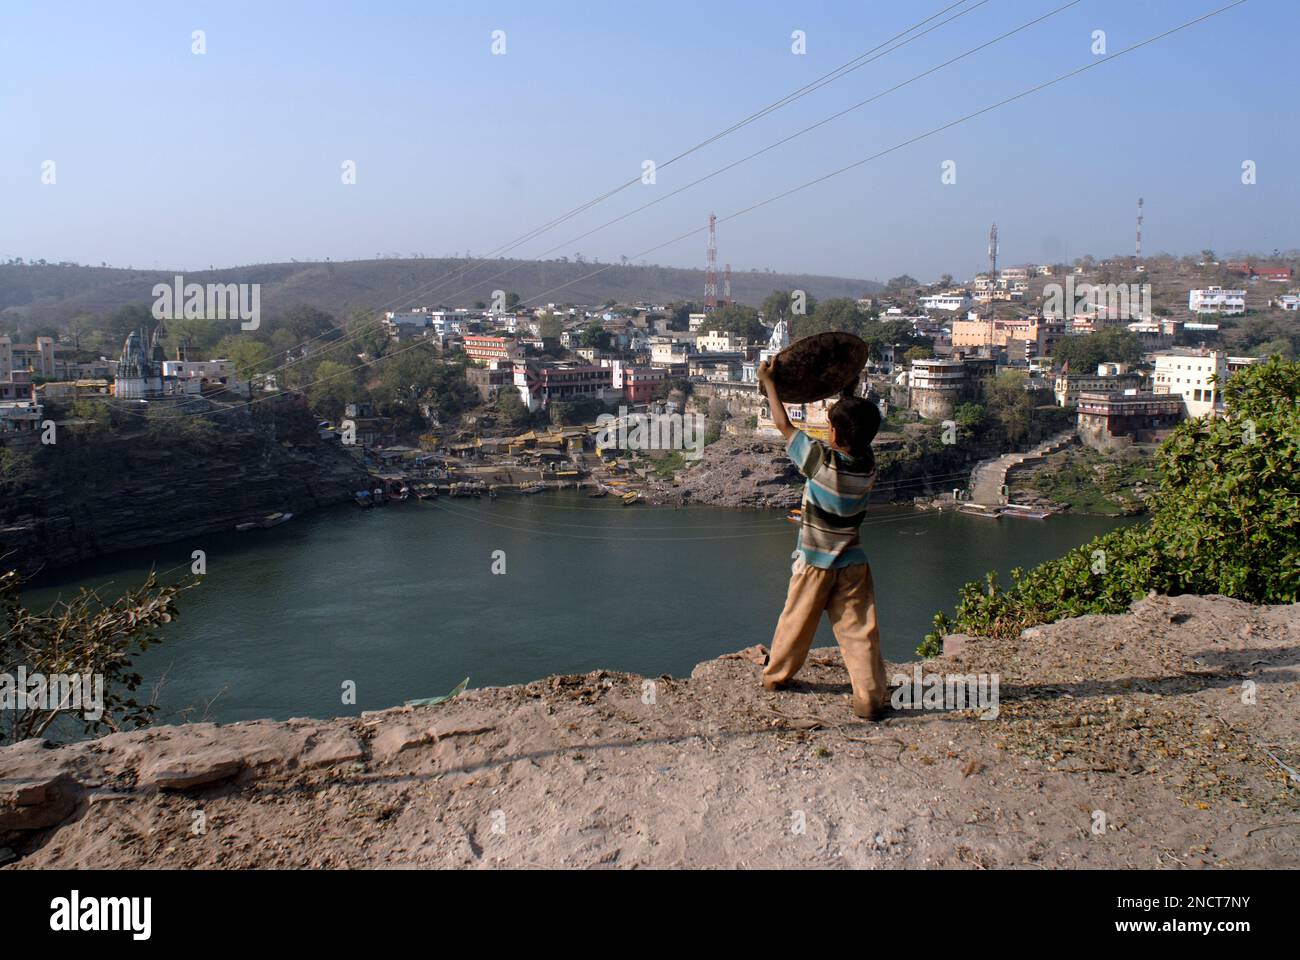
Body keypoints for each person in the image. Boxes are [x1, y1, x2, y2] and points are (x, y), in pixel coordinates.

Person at [756, 359, 888, 719]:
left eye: (829, 425)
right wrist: (848, 387)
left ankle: (776, 677)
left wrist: (769, 381)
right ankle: (870, 697)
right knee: (860, 633)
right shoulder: (868, 464)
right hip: (853, 563)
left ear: (831, 434)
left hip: (815, 562)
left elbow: (783, 424)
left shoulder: (819, 461)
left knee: (796, 623)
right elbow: (855, 425)